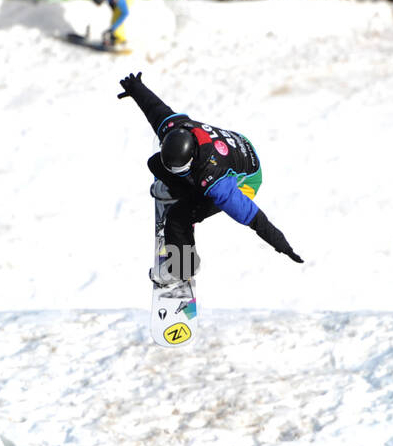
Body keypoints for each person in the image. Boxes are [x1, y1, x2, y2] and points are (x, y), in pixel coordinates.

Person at [116, 73, 302, 287]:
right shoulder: (175, 129)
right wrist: (136, 87)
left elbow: (254, 217)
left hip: (246, 179)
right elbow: (156, 109)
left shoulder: (218, 183)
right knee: (156, 164)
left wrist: (283, 246)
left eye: (179, 170)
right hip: (235, 145)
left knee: (178, 217)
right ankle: (180, 191)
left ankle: (182, 269)